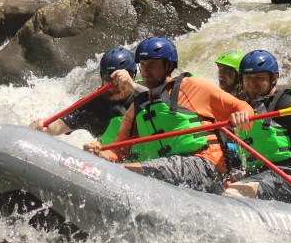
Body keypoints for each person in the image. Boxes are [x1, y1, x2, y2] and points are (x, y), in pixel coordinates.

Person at [87, 36, 253, 195]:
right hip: (169, 173)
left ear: (168, 66)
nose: (146, 70)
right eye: (143, 65)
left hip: (205, 165)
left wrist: (242, 116)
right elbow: (118, 152)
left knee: (135, 169)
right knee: (136, 167)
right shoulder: (137, 107)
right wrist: (100, 153)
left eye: (152, 64)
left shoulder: (193, 86)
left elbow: (241, 106)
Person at [226, 49, 291, 207]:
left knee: (232, 192)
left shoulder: (285, 103)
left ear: (274, 78)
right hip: (261, 174)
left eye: (259, 78)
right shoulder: (243, 107)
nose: (252, 83)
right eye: (248, 78)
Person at [30, 47, 137, 145]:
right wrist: (43, 126)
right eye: (109, 77)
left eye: (122, 78)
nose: (116, 83)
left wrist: (132, 86)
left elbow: (153, 98)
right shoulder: (91, 105)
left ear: (133, 76)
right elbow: (58, 125)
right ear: (101, 76)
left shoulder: (144, 94)